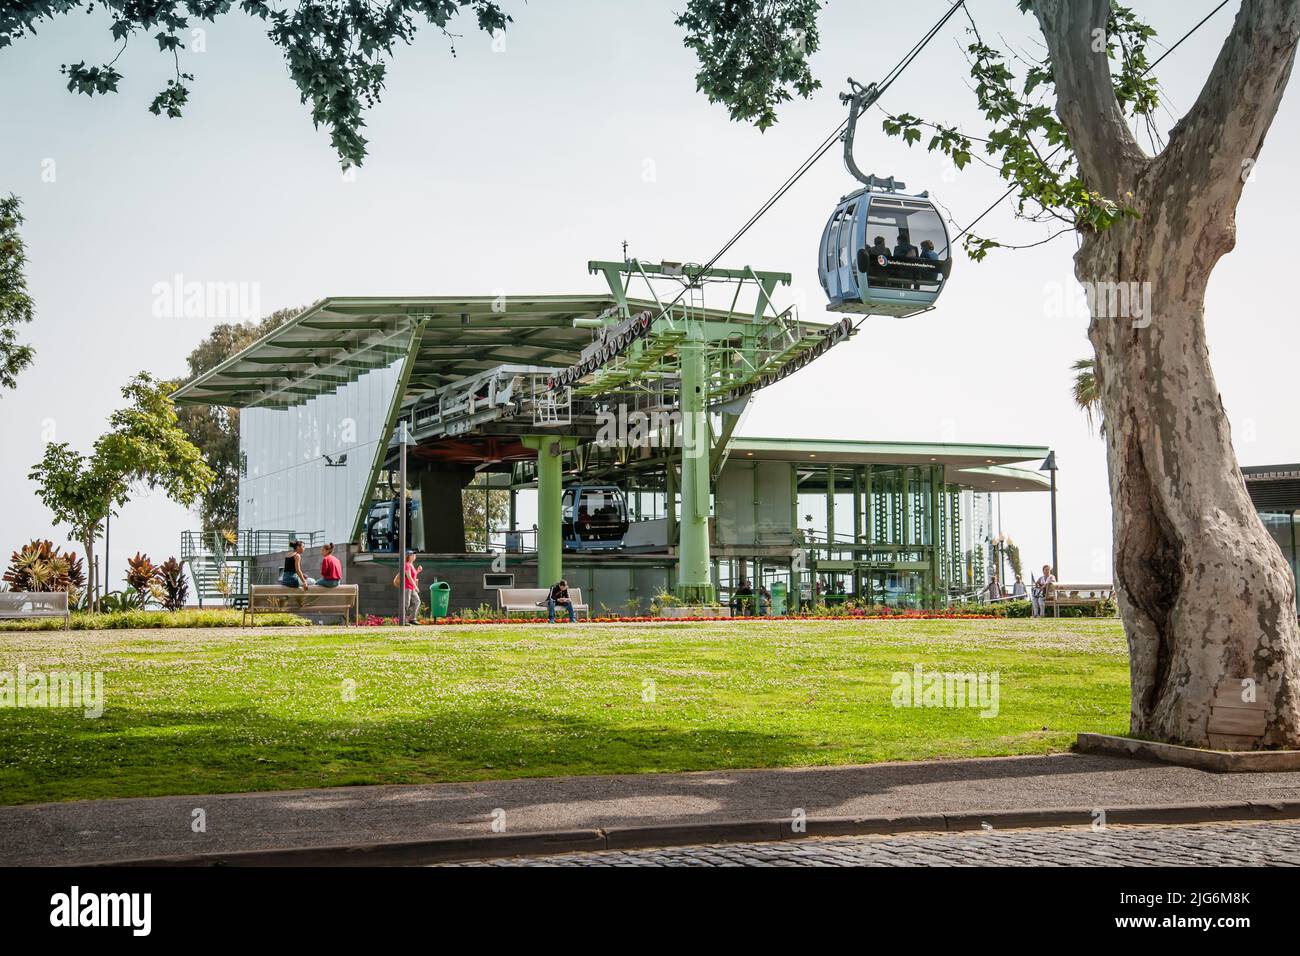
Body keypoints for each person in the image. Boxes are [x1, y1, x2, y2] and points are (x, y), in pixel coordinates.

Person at [392, 552, 421, 623]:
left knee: (417, 602)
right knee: (406, 604)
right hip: (407, 587)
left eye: (415, 555)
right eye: (413, 555)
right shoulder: (407, 564)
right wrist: (415, 586)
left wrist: (417, 571)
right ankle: (403, 620)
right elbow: (409, 577)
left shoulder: (411, 565)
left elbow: (413, 576)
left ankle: (412, 618)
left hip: (411, 588)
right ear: (409, 556)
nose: (414, 556)